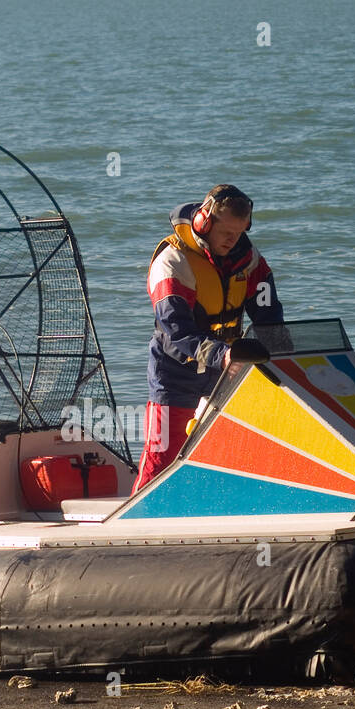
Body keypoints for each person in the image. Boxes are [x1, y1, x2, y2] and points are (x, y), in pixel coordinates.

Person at [132, 184, 284, 492]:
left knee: (234, 455)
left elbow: (269, 319)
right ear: (203, 223)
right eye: (226, 232)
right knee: (161, 459)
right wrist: (223, 355)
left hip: (227, 372)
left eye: (239, 233)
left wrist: (282, 355)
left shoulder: (251, 261)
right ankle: (132, 525)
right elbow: (177, 333)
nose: (233, 240)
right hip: (174, 375)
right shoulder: (173, 260)